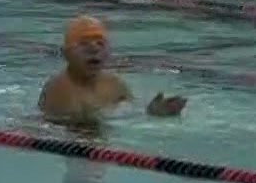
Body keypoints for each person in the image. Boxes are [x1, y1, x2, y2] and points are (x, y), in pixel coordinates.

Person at [38, 16, 187, 128]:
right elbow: (78, 132)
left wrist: (153, 113)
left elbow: (131, 113)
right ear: (66, 54)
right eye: (83, 44)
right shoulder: (58, 89)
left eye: (100, 44)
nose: (94, 49)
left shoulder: (114, 84)